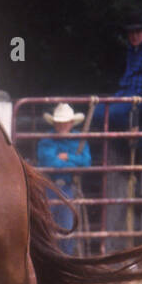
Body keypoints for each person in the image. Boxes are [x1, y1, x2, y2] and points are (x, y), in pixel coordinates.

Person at [97, 12, 142, 158]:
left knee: (114, 114)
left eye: (138, 32)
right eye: (131, 32)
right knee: (97, 113)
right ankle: (125, 152)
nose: (134, 36)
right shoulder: (132, 48)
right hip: (127, 92)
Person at [37, 103, 91, 255]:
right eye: (59, 123)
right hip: (49, 187)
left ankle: (64, 258)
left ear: (71, 123)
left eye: (64, 122)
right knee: (47, 227)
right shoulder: (46, 141)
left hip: (67, 187)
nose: (61, 126)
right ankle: (49, 258)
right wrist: (74, 161)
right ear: (54, 123)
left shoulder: (79, 140)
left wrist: (67, 157)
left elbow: (86, 163)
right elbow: (50, 163)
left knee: (67, 228)